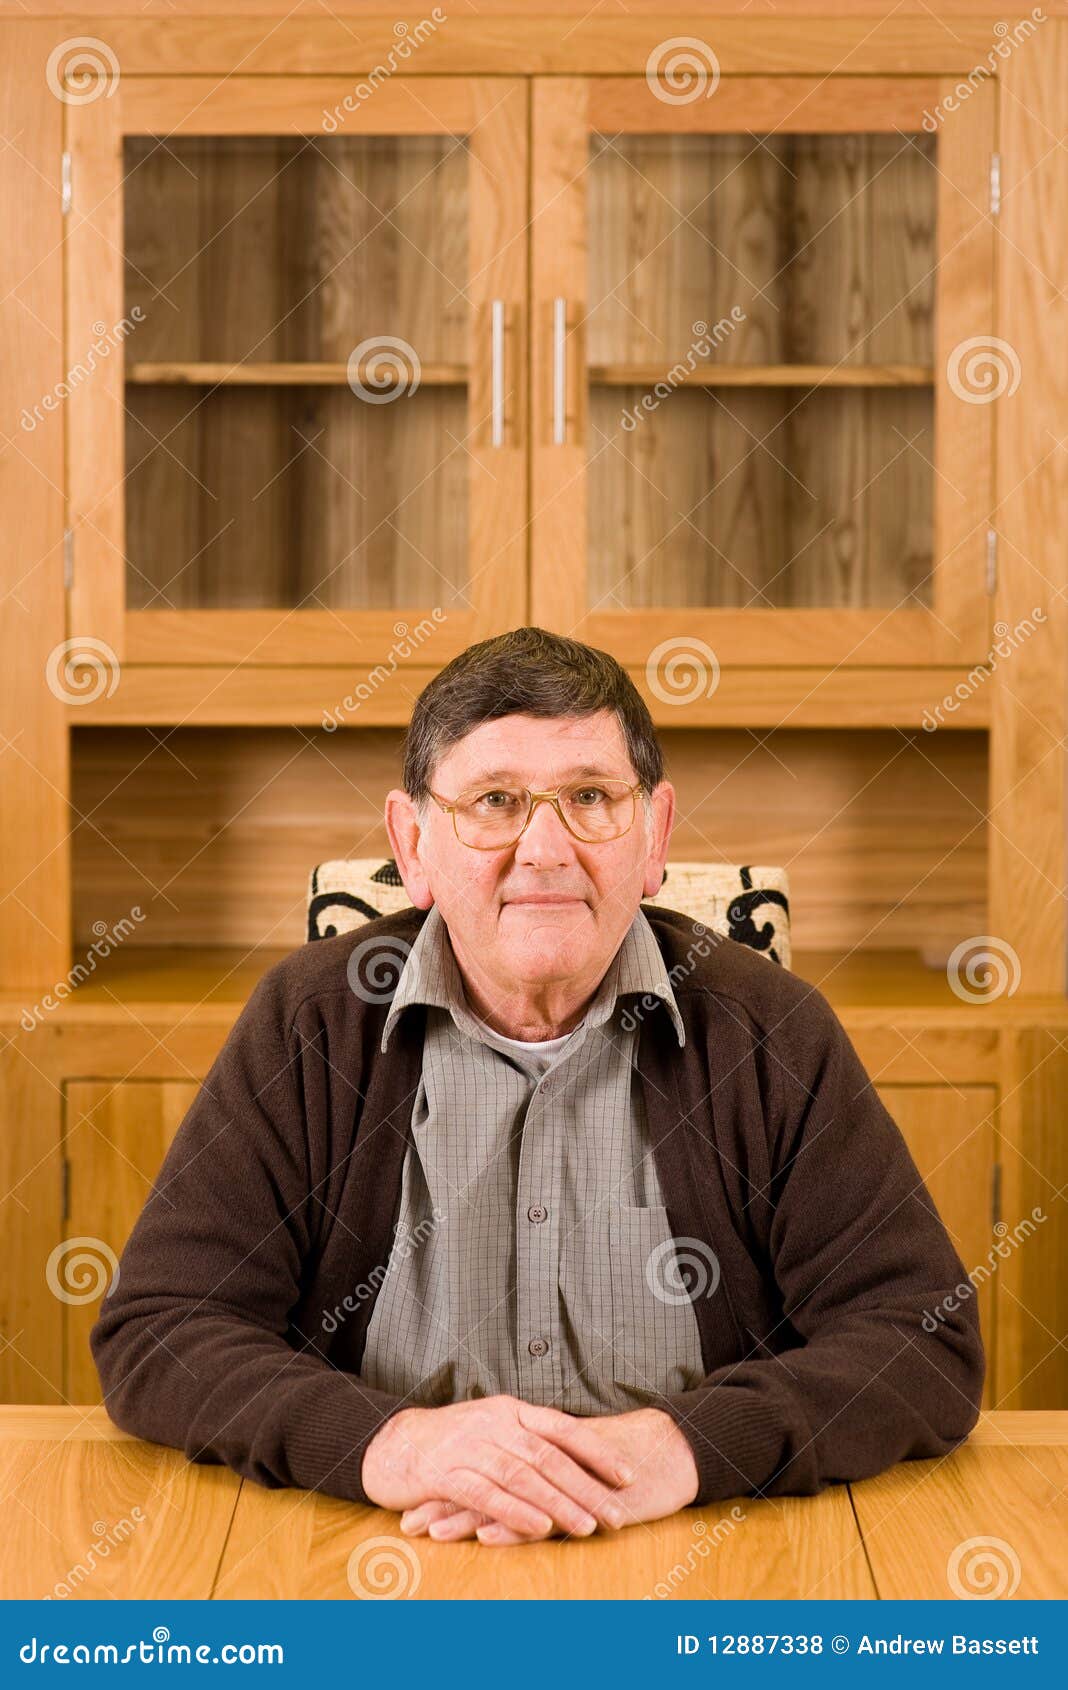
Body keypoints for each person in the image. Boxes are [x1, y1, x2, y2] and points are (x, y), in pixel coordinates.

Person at [91, 627, 984, 1548]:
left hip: (700, 1546)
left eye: (591, 797)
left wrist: (683, 1448)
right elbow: (162, 1328)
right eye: (495, 802)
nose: (545, 848)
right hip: (379, 1548)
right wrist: (394, 1445)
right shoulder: (312, 1022)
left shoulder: (771, 1032)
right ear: (415, 845)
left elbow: (922, 1340)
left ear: (653, 837)